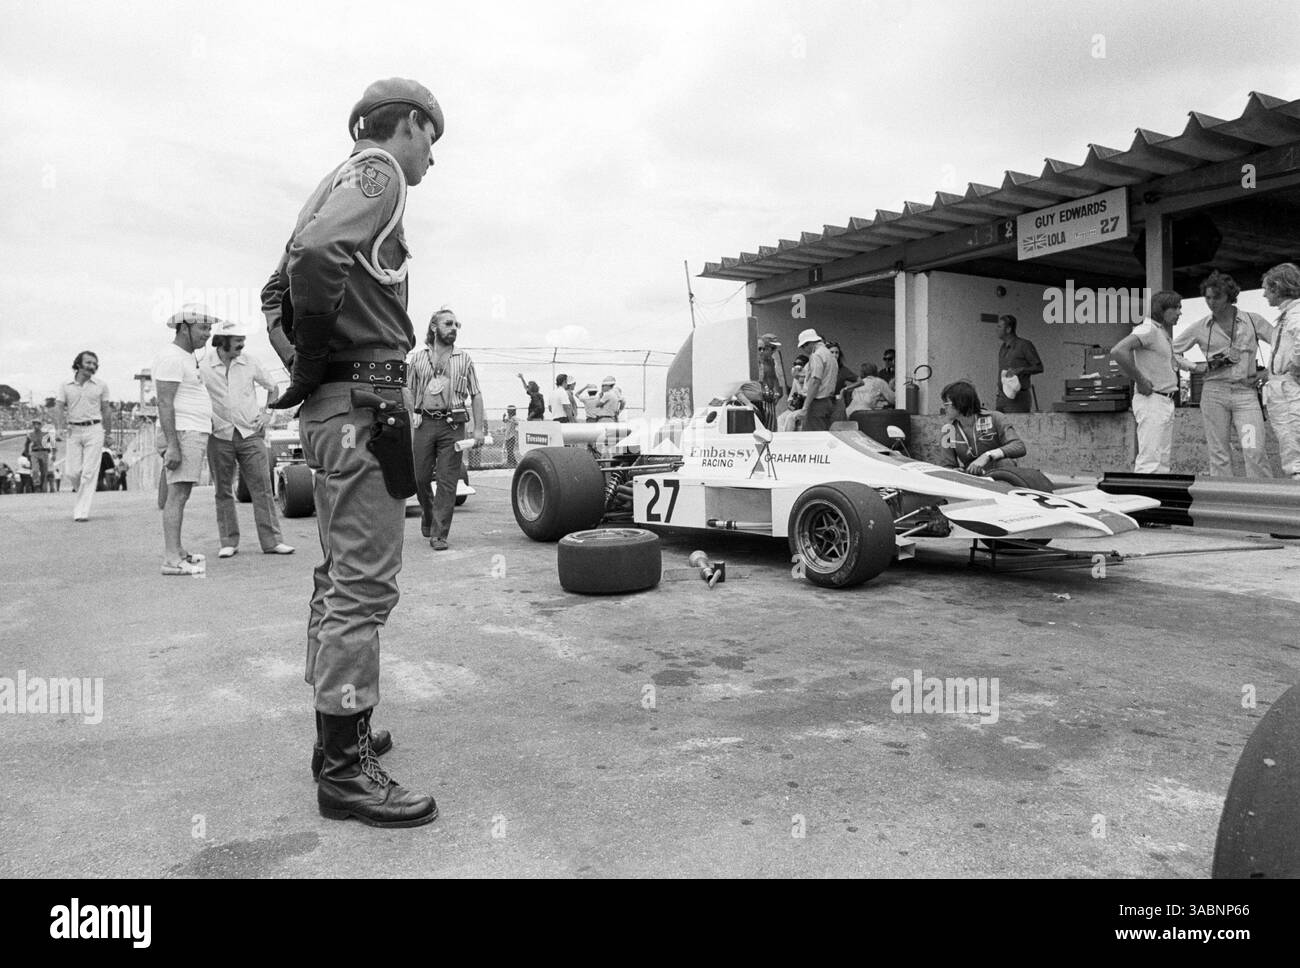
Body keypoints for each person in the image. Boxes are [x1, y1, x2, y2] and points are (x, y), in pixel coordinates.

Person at [262, 78, 445, 828]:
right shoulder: (379, 175)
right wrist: (317, 366)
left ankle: (337, 731)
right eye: (431, 136)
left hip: (340, 406)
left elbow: (275, 289)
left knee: (338, 575)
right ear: (405, 126)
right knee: (363, 588)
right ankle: (344, 771)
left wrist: (307, 366)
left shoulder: (328, 184)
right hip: (360, 406)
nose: (433, 155)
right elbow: (310, 259)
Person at [199, 321, 294, 558]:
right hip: (218, 434)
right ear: (222, 341)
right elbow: (193, 394)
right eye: (237, 340)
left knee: (262, 487)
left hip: (250, 433)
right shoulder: (203, 366)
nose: (242, 344)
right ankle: (229, 541)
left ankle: (272, 541)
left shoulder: (250, 361)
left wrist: (267, 414)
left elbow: (273, 388)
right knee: (223, 489)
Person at [1172, 271, 1273, 478]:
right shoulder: (1201, 326)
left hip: (1245, 394)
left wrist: (1266, 373)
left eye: (1216, 297)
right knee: (1219, 452)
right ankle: (1223, 501)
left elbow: (1283, 347)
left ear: (1229, 296)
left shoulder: (1253, 321)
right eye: (1207, 298)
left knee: (1253, 449)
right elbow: (1170, 351)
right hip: (1214, 394)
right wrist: (1195, 367)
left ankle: (1261, 498)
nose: (1211, 302)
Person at [405, 308, 485, 551]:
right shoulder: (418, 358)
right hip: (424, 423)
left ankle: (439, 533)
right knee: (419, 478)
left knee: (447, 481)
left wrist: (478, 429)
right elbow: (407, 390)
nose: (453, 328)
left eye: (456, 325)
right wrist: (411, 418)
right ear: (433, 327)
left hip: (453, 425)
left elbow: (476, 393)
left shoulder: (464, 358)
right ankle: (428, 514)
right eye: (448, 324)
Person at [154, 306, 215, 574]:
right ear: (184, 327)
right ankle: (171, 559)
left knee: (182, 493)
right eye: (203, 328)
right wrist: (173, 445)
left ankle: (177, 551)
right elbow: (164, 402)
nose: (208, 334)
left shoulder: (187, 358)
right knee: (177, 495)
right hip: (183, 432)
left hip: (191, 432)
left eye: (209, 328)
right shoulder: (172, 357)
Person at [1110, 291, 1186, 473]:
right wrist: (1141, 380)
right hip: (1153, 399)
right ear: (1162, 309)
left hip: (1164, 399)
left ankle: (1158, 497)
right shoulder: (1148, 329)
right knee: (1151, 460)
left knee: (1161, 459)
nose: (1179, 313)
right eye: (1175, 308)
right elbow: (1119, 351)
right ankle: (1144, 496)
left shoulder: (1161, 332)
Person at [937, 380, 1027, 475]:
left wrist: (987, 456)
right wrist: (954, 471)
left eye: (946, 404)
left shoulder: (995, 418)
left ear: (960, 402)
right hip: (971, 475)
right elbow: (947, 466)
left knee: (1006, 462)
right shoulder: (948, 430)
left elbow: (1019, 446)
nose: (944, 408)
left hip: (999, 473)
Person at [1262, 262, 1300, 480]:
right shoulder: (1288, 314)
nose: (1265, 295)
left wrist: (1296, 367)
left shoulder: (1295, 314)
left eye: (1267, 289)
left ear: (1277, 287)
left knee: (1293, 443)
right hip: (1281, 386)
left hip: (1289, 388)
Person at [994, 314, 1043, 413]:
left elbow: (1039, 367)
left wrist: (1021, 370)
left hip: (1018, 398)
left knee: (1015, 427)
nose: (996, 329)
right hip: (1001, 397)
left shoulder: (1024, 345)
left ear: (1008, 329)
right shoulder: (1003, 347)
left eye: (999, 326)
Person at [791, 329, 837, 431]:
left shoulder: (816, 356)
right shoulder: (830, 355)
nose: (803, 349)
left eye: (803, 346)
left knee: (813, 437)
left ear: (809, 343)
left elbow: (815, 381)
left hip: (817, 402)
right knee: (823, 434)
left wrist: (805, 407)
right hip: (828, 401)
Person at [756, 334, 786, 430]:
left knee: (771, 429)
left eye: (775, 348)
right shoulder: (755, 362)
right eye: (772, 348)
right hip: (759, 399)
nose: (774, 351)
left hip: (769, 399)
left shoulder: (771, 361)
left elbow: (774, 378)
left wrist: (778, 391)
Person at [22, 420, 52, 493]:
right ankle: (37, 485)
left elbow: (52, 444)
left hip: (44, 452)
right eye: (34, 424)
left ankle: (43, 486)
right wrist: (26, 453)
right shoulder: (30, 434)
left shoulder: (45, 434)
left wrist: (52, 452)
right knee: (35, 470)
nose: (36, 426)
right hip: (34, 452)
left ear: (40, 425)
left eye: (38, 424)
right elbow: (26, 444)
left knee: (44, 471)